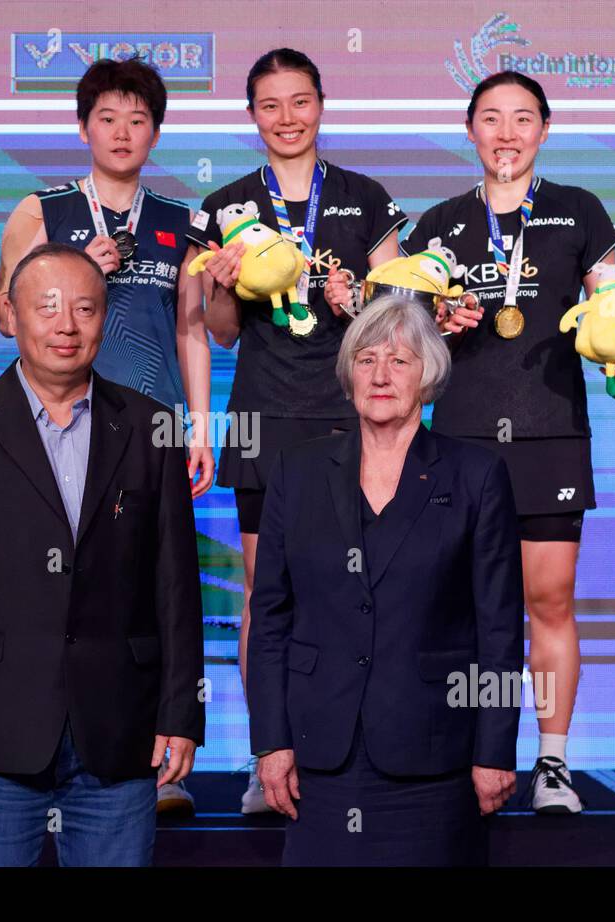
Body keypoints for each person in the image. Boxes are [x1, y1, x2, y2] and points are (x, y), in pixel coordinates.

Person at [380, 71, 615, 813]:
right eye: (492, 118)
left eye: (523, 118)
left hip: (549, 432)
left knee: (549, 601)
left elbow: (613, 305)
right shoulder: (438, 223)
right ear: (470, 130)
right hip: (460, 438)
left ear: (544, 129)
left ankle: (553, 764)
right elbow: (402, 337)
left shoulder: (577, 211)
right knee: (458, 607)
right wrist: (436, 326)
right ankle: (468, 755)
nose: (507, 133)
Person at [0, 243, 205, 866]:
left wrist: (182, 712)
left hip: (121, 734)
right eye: (46, 307)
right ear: (11, 316)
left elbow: (176, 585)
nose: (66, 325)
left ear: (104, 320)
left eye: (84, 309)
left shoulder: (153, 426)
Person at [184, 48, 410, 812]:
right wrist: (217, 288)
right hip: (261, 421)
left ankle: (363, 751)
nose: (288, 118)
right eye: (271, 105)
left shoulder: (362, 196)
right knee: (265, 596)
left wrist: (360, 302)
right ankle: (265, 756)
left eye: (300, 101)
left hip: (357, 418)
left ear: (322, 105)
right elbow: (217, 333)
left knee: (366, 591)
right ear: (252, 116)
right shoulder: (224, 205)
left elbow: (397, 311)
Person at [0, 57, 213, 813]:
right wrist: (68, 267)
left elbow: (193, 328)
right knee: (59, 596)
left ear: (156, 130)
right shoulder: (42, 209)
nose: (123, 133)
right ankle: (46, 757)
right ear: (84, 126)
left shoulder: (182, 221)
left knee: (155, 595)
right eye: (108, 118)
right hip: (60, 426)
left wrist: (198, 423)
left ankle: (160, 763)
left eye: (139, 119)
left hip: (147, 434)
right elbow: (1, 313)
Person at [247, 295, 523, 866]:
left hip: (435, 761)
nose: (380, 375)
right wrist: (270, 743)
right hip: (320, 760)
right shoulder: (295, 472)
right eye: (367, 359)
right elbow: (270, 620)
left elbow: (498, 629)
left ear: (428, 375)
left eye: (400, 361)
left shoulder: (477, 476)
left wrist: (495, 749)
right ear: (347, 374)